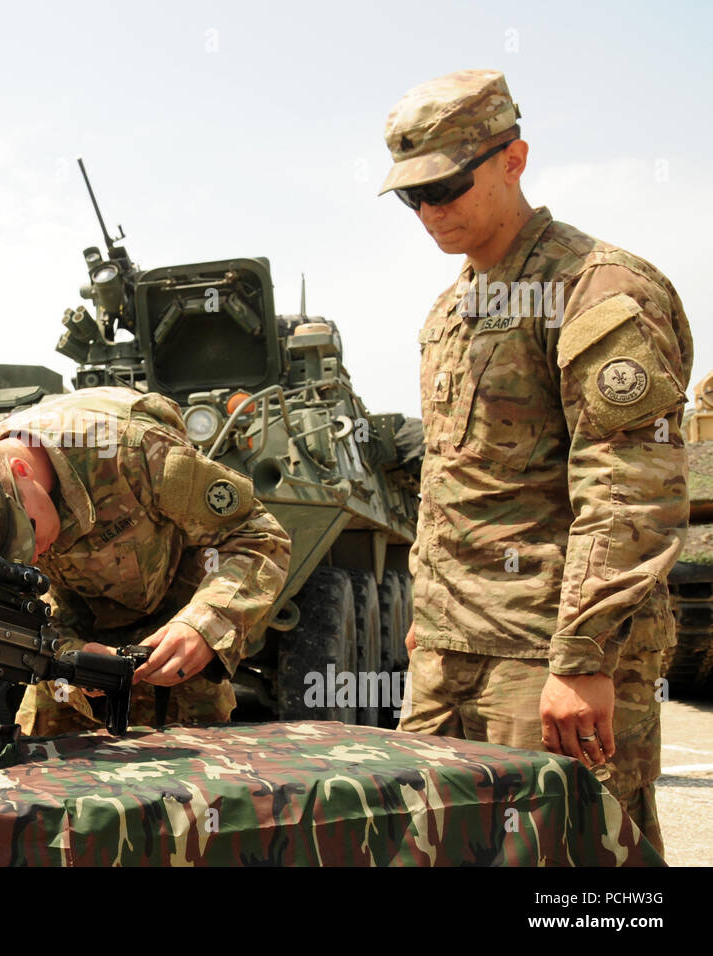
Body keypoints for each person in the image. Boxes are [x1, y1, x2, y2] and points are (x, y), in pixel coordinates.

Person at [379, 69, 692, 854]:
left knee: (575, 859)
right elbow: (451, 478)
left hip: (546, 649)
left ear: (514, 160)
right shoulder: (451, 309)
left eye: (446, 185)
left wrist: (583, 657)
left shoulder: (595, 288)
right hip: (453, 648)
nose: (430, 211)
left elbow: (629, 488)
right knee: (438, 844)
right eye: (411, 196)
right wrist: (428, 618)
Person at [0, 386, 290, 734]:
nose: (31, 557)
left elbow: (259, 536)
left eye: (26, 536)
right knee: (46, 789)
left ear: (23, 472)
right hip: (66, 639)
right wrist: (65, 656)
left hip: (172, 630)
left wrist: (206, 624)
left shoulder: (133, 452)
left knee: (191, 787)